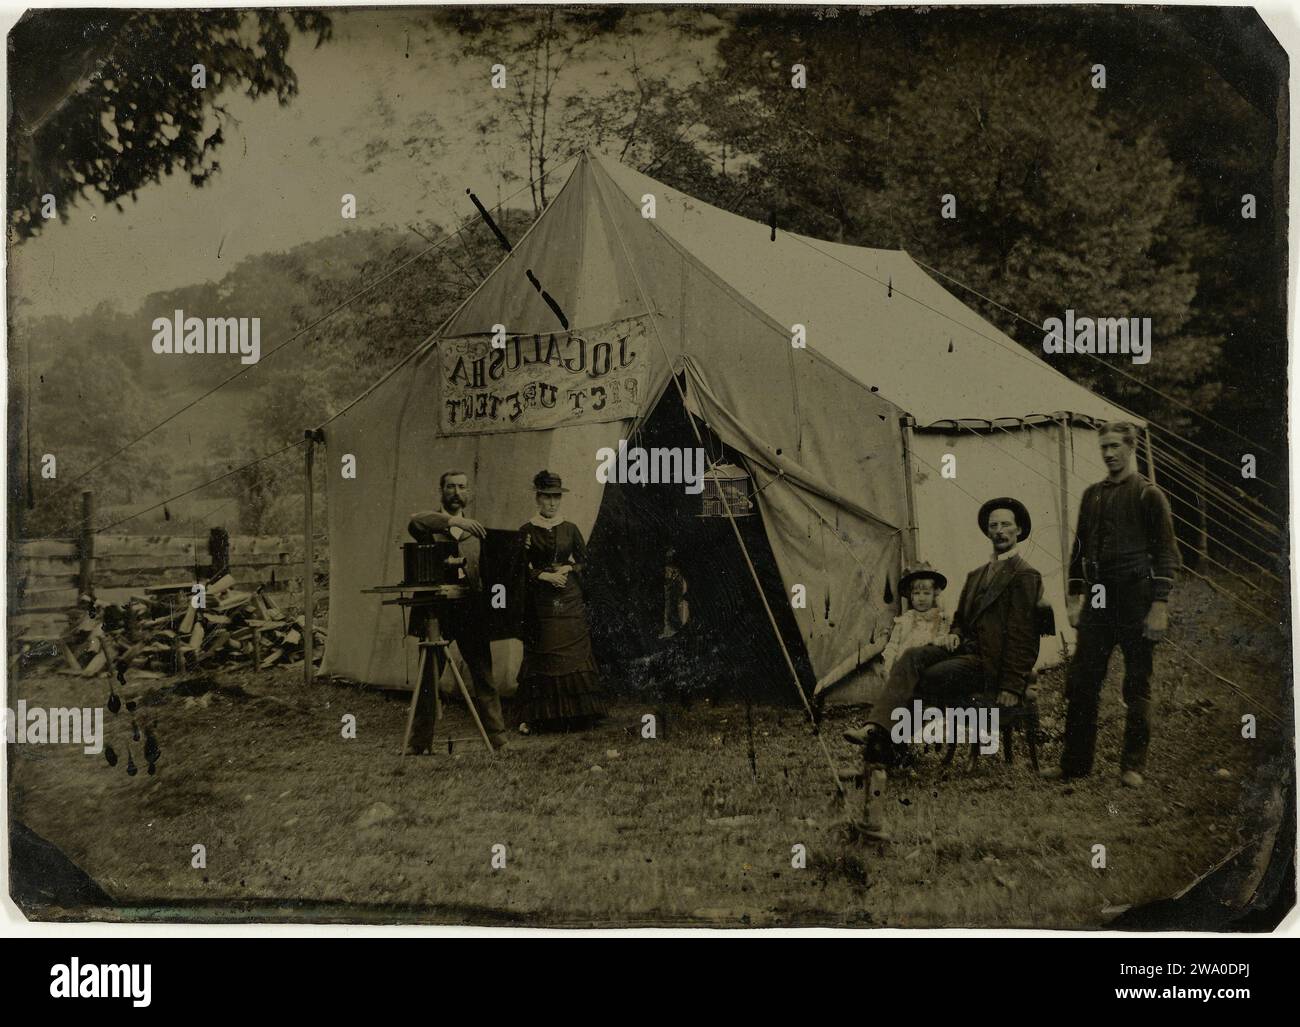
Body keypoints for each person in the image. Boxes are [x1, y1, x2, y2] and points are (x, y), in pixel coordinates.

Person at [843, 498, 1042, 840]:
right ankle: (876, 729)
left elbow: (1025, 635)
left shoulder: (1025, 575)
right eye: (993, 525)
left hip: (989, 665)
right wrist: (953, 636)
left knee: (928, 677)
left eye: (1006, 525)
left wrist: (1013, 684)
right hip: (963, 653)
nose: (999, 531)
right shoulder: (977, 575)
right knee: (912, 657)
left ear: (1019, 529)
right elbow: (963, 622)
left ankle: (883, 751)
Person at [1042, 422, 1179, 788]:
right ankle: (1074, 763)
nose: (1109, 453)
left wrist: (1159, 606)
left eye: (1116, 446)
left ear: (1131, 447)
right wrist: (1074, 600)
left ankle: (1132, 766)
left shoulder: (1148, 495)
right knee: (1083, 681)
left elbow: (1167, 554)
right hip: (1098, 600)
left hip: (1136, 598)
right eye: (1104, 447)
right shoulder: (1092, 495)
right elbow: (1079, 550)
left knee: (1137, 684)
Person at [406, 470, 509, 752]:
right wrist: (454, 521)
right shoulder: (427, 525)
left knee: (484, 676)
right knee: (428, 677)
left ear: (469, 493)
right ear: (441, 490)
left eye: (462, 487)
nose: (456, 492)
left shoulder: (477, 531)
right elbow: (414, 519)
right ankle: (418, 743)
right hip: (436, 612)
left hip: (470, 611)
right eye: (450, 487)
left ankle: (498, 740)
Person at [512, 470, 608, 733]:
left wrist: (568, 570)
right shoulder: (527, 530)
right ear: (538, 498)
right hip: (542, 601)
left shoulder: (571, 529)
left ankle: (580, 713)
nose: (552, 503)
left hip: (569, 600)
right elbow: (518, 569)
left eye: (556, 497)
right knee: (545, 650)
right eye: (546, 497)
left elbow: (586, 561)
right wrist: (543, 575)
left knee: (575, 652)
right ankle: (540, 716)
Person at [880, 562, 951, 676]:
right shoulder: (904, 620)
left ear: (934, 595)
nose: (921, 598)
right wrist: (887, 667)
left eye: (927, 593)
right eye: (917, 593)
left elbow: (942, 641)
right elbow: (893, 645)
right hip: (905, 670)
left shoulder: (940, 619)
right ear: (911, 596)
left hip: (930, 668)